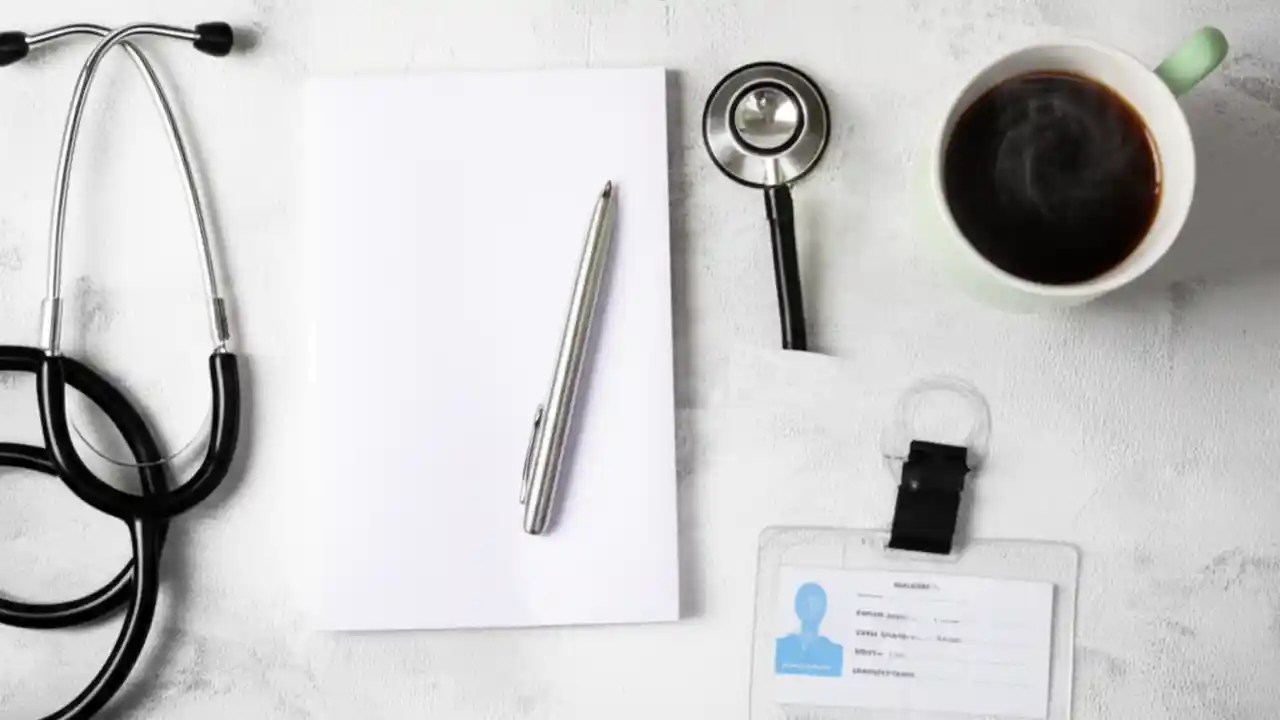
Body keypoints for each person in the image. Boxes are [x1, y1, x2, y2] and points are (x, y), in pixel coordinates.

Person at [775, 582, 843, 677]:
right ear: (797, 608)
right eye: (807, 604)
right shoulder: (781, 647)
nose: (811, 608)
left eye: (816, 604)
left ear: (824, 610)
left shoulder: (835, 653)